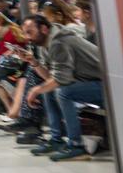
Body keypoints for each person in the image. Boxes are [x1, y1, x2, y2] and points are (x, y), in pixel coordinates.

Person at [20, 15, 104, 161]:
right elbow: (49, 78)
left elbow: (61, 79)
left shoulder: (60, 42)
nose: (27, 37)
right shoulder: (45, 44)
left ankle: (76, 145)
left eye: (30, 32)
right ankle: (56, 140)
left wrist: (35, 90)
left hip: (106, 85)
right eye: (25, 33)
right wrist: (33, 62)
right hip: (89, 82)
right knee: (50, 90)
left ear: (44, 29)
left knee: (64, 92)